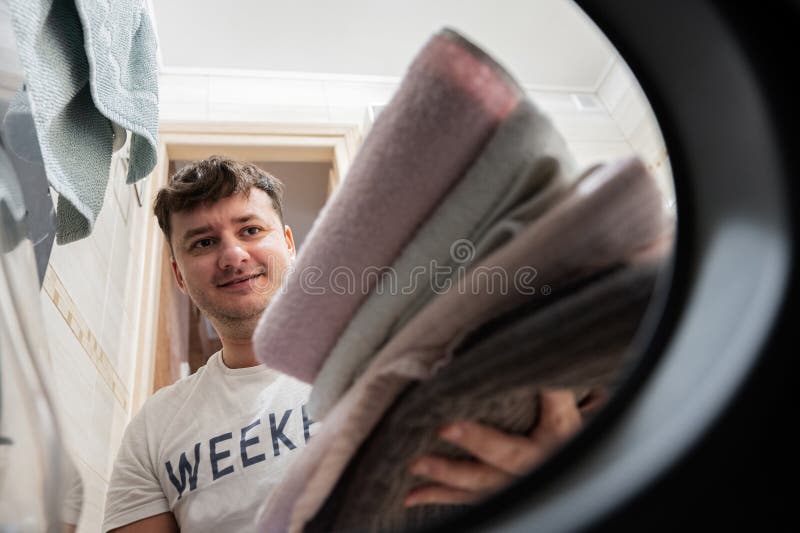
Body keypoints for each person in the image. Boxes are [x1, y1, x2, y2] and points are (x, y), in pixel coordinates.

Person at [102, 156, 602, 532]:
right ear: (179, 275)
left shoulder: (396, 347)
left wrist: (558, 474)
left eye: (250, 229)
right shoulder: (152, 429)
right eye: (203, 242)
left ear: (290, 245)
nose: (233, 255)